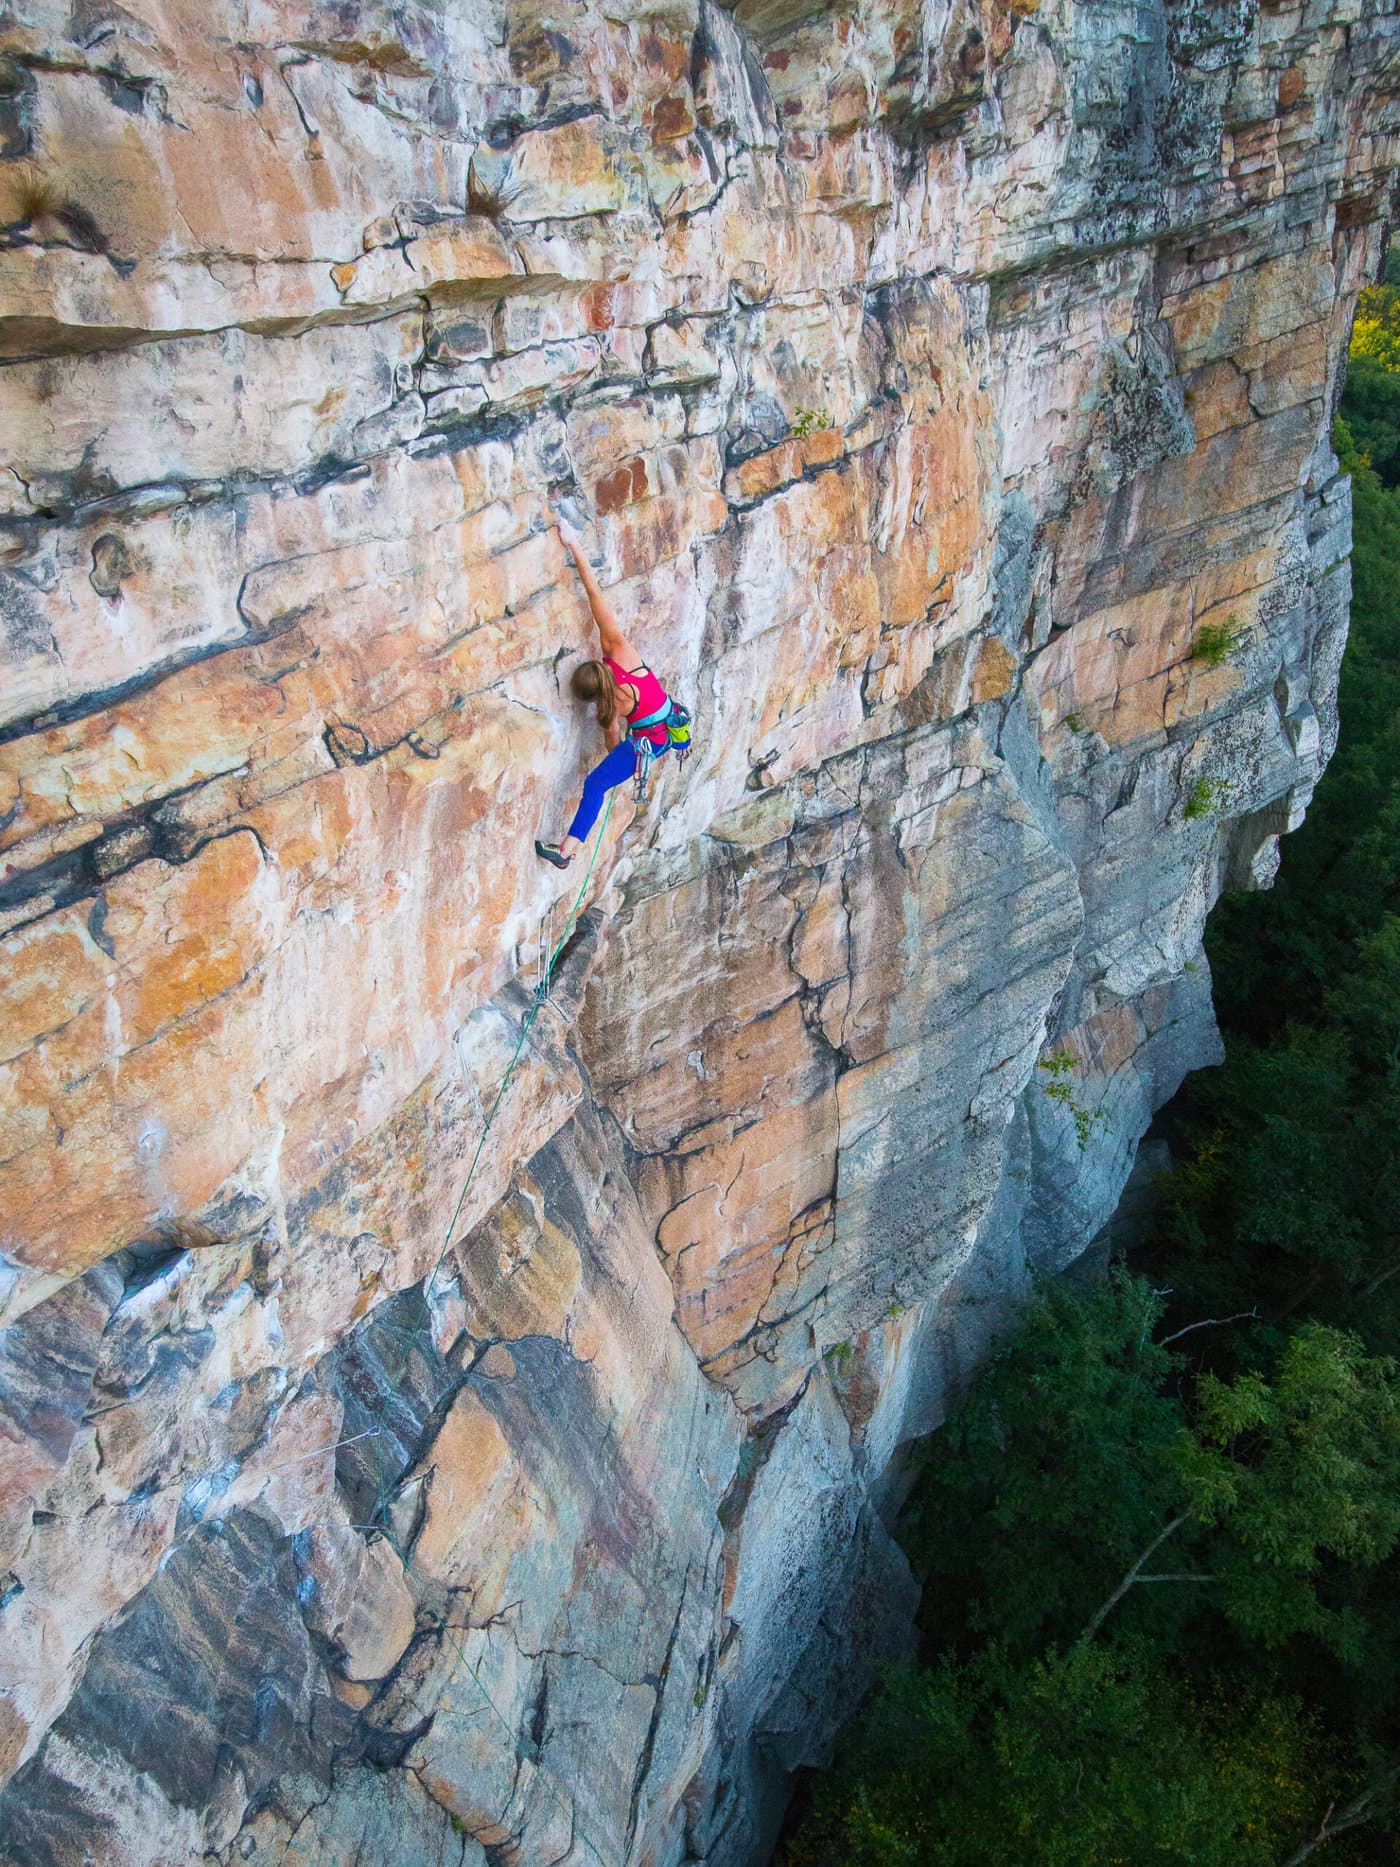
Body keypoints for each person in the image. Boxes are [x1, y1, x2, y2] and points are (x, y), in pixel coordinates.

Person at [535, 520, 675, 869]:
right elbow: (595, 594)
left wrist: (624, 745)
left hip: (652, 742)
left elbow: (615, 749)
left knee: (597, 783)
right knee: (599, 781)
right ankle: (566, 849)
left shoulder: (609, 710)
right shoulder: (620, 650)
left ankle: (566, 852)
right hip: (665, 724)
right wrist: (573, 542)